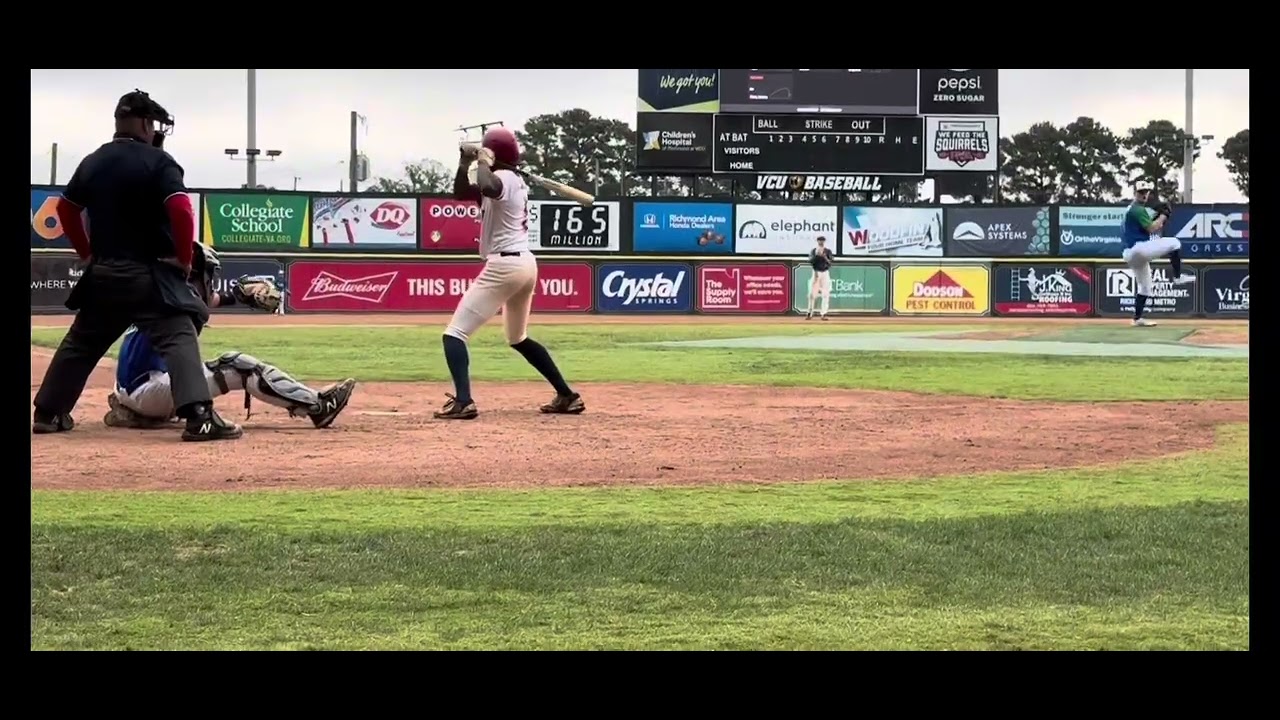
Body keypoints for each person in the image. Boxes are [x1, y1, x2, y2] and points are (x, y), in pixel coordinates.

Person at [31, 89, 241, 441]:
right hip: (149, 275)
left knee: (81, 342)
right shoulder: (159, 162)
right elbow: (180, 209)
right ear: (146, 123)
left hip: (104, 275)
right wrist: (184, 258)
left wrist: (86, 253)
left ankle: (48, 413)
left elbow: (66, 209)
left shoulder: (93, 160)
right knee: (178, 334)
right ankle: (200, 418)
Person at [103, 245, 357, 430]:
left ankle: (141, 414)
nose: (211, 282)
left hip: (131, 388)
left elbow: (207, 300)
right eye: (208, 275)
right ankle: (317, 407)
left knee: (207, 368)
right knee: (239, 365)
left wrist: (235, 298)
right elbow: (202, 302)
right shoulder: (182, 303)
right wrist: (238, 297)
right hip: (148, 393)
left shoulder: (164, 295)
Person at [434, 126, 584, 420]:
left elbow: (488, 185)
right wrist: (466, 162)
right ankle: (567, 395)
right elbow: (462, 193)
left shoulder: (502, 179)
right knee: (518, 337)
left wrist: (482, 160)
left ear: (494, 154)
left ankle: (464, 402)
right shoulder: (509, 179)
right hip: (524, 264)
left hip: (505, 265)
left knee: (454, 334)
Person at [1122, 179, 1195, 327]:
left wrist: (1158, 216)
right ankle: (1177, 277)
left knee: (1145, 287)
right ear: (1135, 193)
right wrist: (1164, 216)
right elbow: (1151, 228)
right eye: (1140, 192)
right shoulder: (1137, 209)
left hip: (1131, 254)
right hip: (1139, 249)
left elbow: (1146, 226)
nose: (1143, 195)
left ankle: (1137, 319)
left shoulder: (1132, 209)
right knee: (1175, 242)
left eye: (1145, 192)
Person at [805, 236, 834, 320]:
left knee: (826, 293)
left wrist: (824, 257)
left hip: (825, 272)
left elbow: (830, 262)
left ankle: (823, 313)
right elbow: (810, 261)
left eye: (822, 240)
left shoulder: (828, 251)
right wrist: (817, 256)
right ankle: (810, 312)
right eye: (819, 240)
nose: (821, 242)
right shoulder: (814, 251)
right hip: (816, 272)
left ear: (824, 241)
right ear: (817, 241)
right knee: (812, 294)